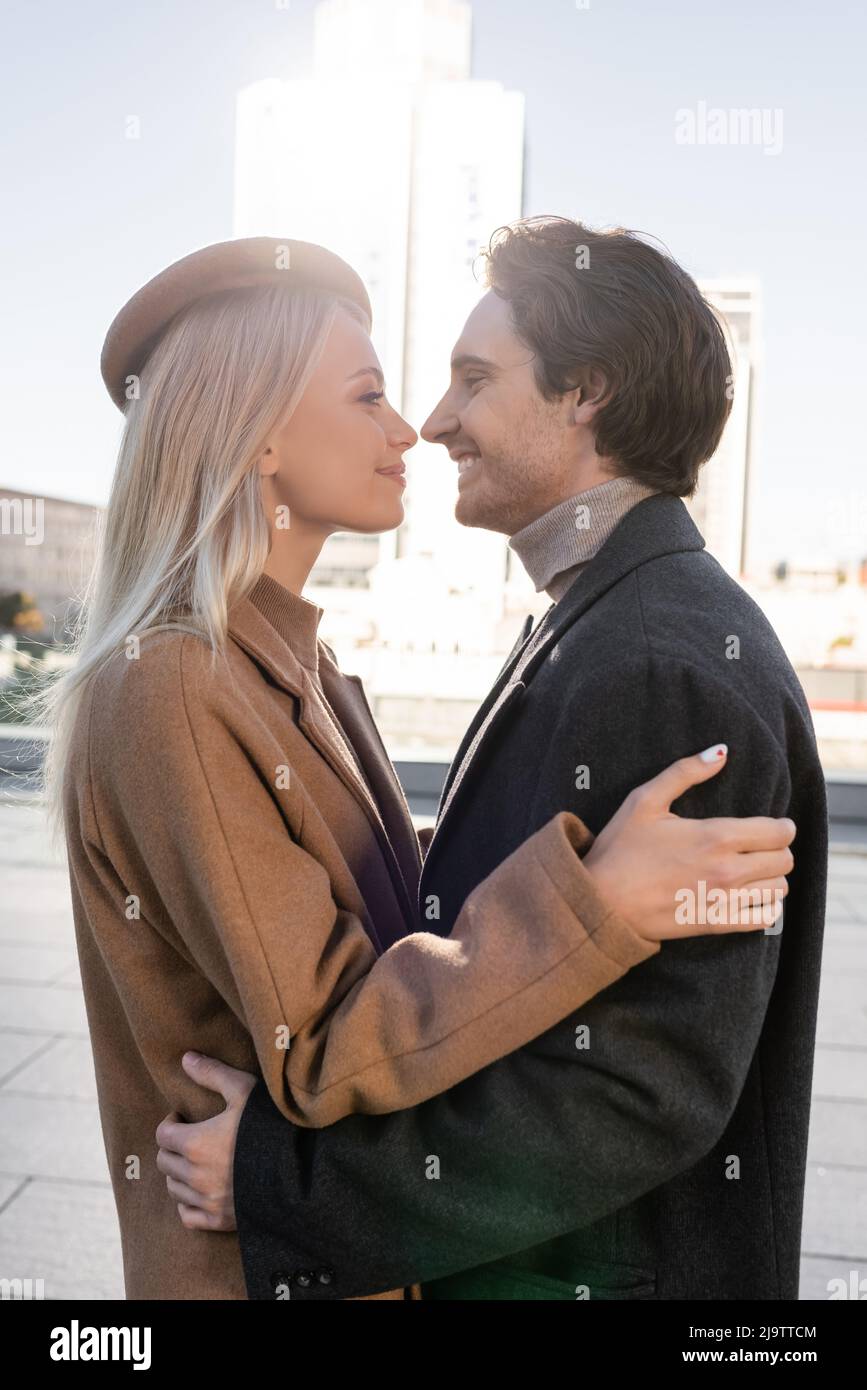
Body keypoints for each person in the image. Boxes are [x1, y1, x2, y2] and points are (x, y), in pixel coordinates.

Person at [162, 219, 826, 1302]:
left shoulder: (659, 662)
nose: (434, 423)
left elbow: (631, 1088)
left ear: (587, 392)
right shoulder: (608, 620)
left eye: (473, 379)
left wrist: (283, 1181)